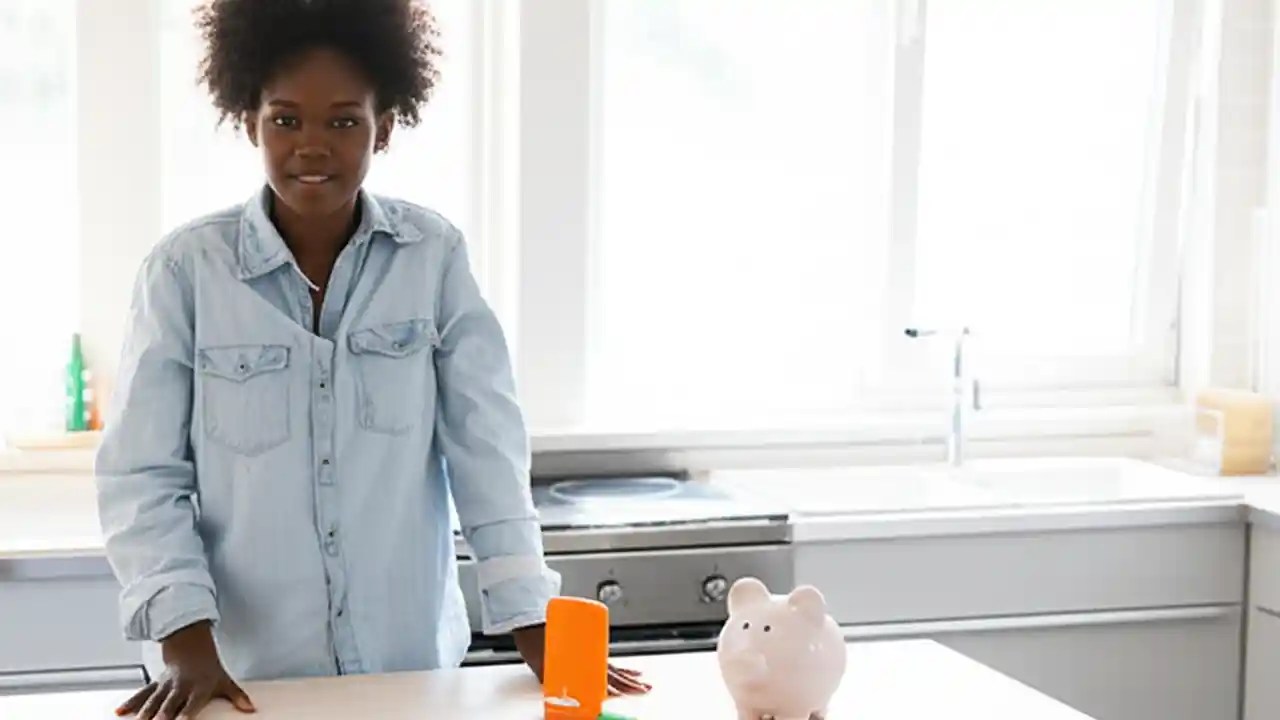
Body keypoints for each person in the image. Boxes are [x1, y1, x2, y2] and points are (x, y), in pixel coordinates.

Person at [95, 1, 649, 718]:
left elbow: (486, 450)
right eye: (285, 120)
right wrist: (184, 639)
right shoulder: (184, 272)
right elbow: (141, 475)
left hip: (408, 675)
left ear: (383, 127)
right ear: (250, 122)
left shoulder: (433, 259)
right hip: (241, 683)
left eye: (343, 122)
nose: (311, 146)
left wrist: (533, 620)